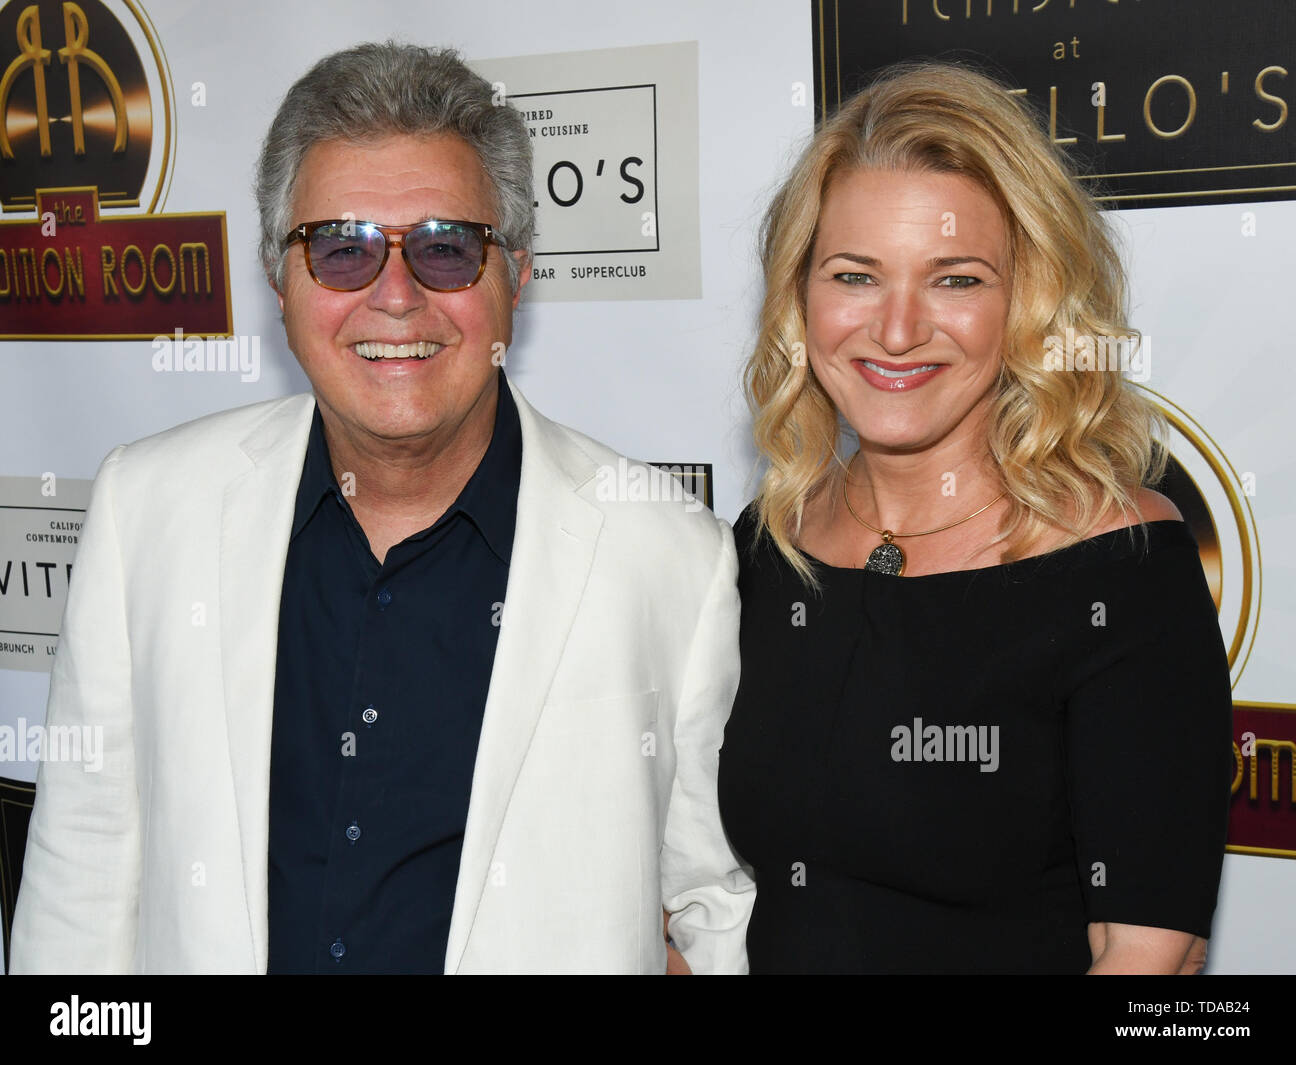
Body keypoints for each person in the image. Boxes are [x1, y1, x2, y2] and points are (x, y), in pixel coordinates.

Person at [11, 42, 753, 974]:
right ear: (280, 282)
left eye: (446, 249)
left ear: (515, 275)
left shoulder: (670, 552)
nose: (395, 297)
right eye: (342, 248)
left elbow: (710, 912)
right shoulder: (145, 508)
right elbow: (76, 902)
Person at [717, 61, 1232, 974]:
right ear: (801, 297)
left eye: (954, 280)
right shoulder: (767, 548)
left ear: (1027, 303)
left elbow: (1152, 957)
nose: (900, 328)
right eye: (856, 275)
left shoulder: (1118, 565)